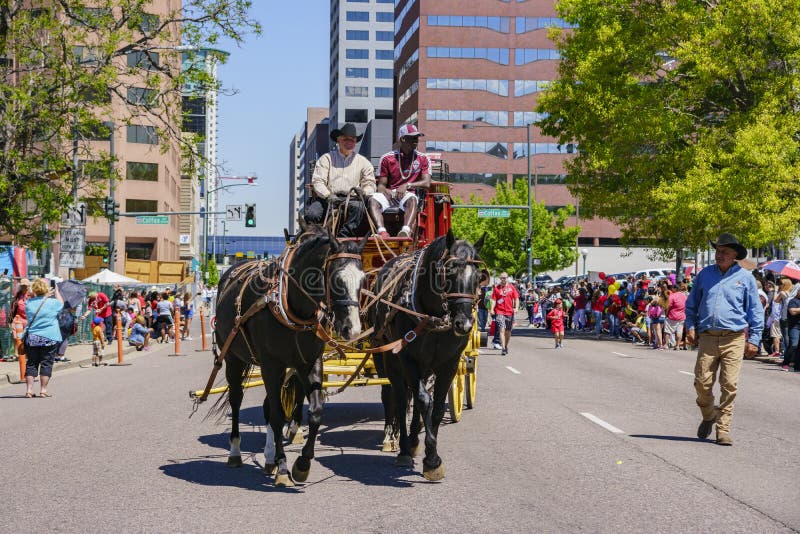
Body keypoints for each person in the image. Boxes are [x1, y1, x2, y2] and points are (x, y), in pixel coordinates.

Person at [685, 233, 763, 446]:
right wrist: (690, 326)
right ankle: (709, 415)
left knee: (729, 384)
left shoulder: (745, 278)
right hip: (708, 337)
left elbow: (755, 310)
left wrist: (754, 339)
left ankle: (723, 429)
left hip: (734, 338)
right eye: (718, 251)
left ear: (735, 255)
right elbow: (692, 303)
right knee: (702, 383)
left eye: (724, 252)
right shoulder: (704, 274)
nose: (719, 255)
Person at [306, 123, 376, 237]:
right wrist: (328, 195)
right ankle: (314, 240)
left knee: (359, 208)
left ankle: (343, 237)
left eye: (352, 139)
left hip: (352, 200)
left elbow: (370, 183)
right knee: (311, 215)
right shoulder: (326, 159)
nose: (349, 142)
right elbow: (318, 181)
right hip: (327, 199)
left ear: (355, 142)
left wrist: (364, 192)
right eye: (345, 139)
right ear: (338, 140)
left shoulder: (364, 162)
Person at [368, 124, 431, 238]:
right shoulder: (387, 158)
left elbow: (426, 183)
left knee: (412, 199)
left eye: (417, 137)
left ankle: (405, 231)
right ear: (403, 139)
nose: (416, 140)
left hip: (408, 194)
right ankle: (382, 232)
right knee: (373, 199)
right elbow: (381, 186)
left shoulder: (423, 158)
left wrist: (407, 185)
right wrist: (387, 192)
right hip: (391, 194)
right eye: (412, 137)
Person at [22, 278, 64, 398]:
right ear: (46, 289)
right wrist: (56, 291)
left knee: (31, 363)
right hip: (49, 337)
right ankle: (43, 390)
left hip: (32, 337)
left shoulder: (29, 303)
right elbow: (61, 304)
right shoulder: (53, 303)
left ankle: (29, 390)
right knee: (46, 363)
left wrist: (43, 295)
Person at [491, 272, 519, 356]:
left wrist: (516, 307)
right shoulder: (497, 288)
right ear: (500, 278)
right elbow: (494, 300)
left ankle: (506, 346)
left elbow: (516, 298)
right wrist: (492, 309)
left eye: (505, 278)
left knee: (508, 332)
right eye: (502, 278)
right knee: (502, 329)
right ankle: (503, 348)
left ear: (507, 278)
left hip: (510, 312)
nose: (503, 279)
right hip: (499, 311)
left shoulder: (511, 287)